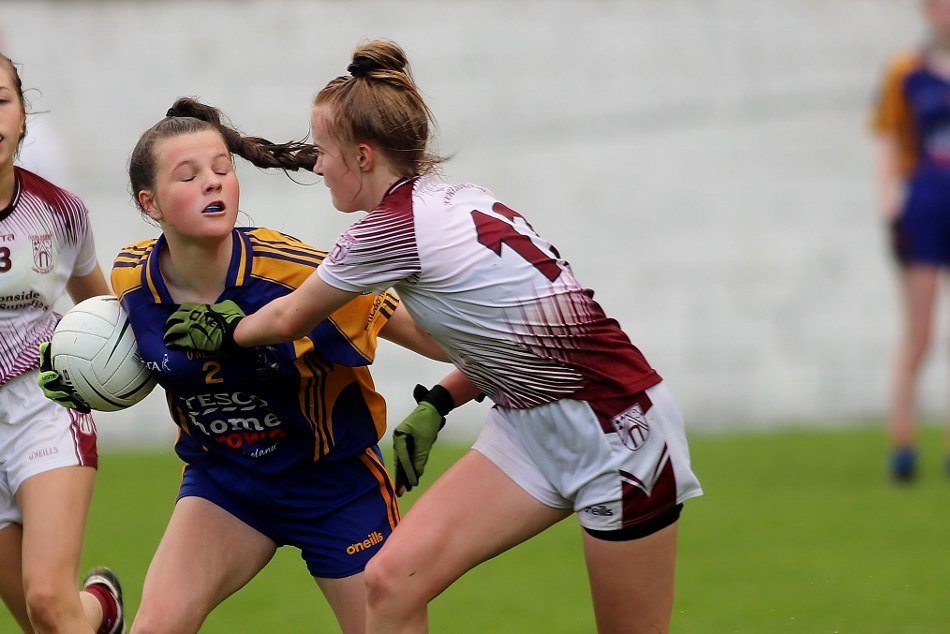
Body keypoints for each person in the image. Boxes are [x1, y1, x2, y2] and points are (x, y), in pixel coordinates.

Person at [162, 41, 704, 633]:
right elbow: (511, 341)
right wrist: (441, 400)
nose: (317, 168)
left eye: (324, 154)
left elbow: (290, 317)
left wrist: (227, 331)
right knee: (391, 582)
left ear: (363, 156)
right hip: (528, 429)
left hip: (617, 431)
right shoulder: (460, 198)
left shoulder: (389, 230)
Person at [70, 97, 444, 634]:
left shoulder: (292, 271)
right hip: (226, 483)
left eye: (222, 169)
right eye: (189, 176)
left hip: (334, 486)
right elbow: (134, 355)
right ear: (150, 203)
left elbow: (431, 335)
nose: (213, 183)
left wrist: (457, 390)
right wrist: (80, 376)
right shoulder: (132, 276)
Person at [0, 53, 125, 633]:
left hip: (44, 405)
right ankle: (102, 610)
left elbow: (102, 311)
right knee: (42, 621)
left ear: (23, 114)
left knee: (49, 603)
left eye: (0, 101)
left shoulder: (60, 211)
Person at [872, 0, 950, 481]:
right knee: (920, 334)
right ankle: (903, 443)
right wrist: (890, 204)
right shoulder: (906, 71)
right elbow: (887, 140)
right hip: (924, 211)